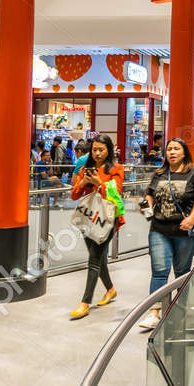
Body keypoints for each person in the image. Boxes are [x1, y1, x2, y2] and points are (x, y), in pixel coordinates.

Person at [138, 137, 194, 335]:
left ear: (184, 152)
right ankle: (154, 312)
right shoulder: (160, 174)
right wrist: (147, 205)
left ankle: (181, 309)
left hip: (184, 231)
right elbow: (150, 194)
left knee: (182, 271)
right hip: (159, 229)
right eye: (169, 149)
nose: (172, 152)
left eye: (176, 148)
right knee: (159, 271)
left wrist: (192, 218)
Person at [69, 135, 124, 321]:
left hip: (108, 219)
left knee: (93, 259)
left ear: (109, 150)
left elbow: (116, 194)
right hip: (88, 218)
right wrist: (83, 182)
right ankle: (110, 289)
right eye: (94, 150)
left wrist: (99, 183)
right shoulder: (85, 169)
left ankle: (85, 303)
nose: (98, 153)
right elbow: (74, 195)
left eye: (101, 149)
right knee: (98, 259)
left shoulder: (116, 169)